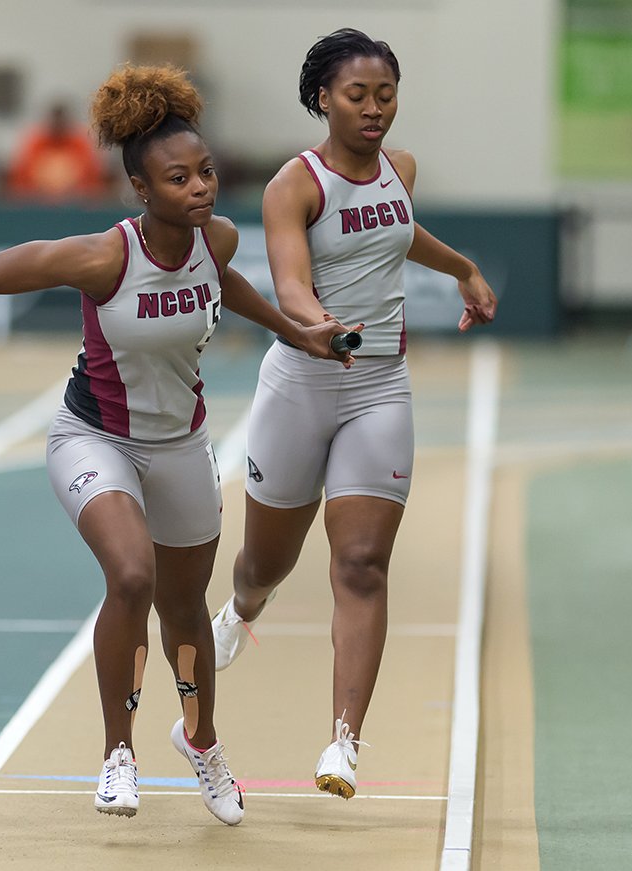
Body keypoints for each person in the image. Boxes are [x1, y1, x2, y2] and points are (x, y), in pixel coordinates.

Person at [0, 64, 352, 826]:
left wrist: (297, 331)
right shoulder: (102, 258)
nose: (200, 187)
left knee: (186, 612)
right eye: (178, 179)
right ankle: (119, 752)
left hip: (181, 447)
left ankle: (201, 740)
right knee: (130, 575)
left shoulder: (217, 239)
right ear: (141, 191)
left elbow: (228, 286)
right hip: (94, 438)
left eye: (206, 172)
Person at [211, 28, 498, 800]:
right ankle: (238, 610)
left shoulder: (399, 169)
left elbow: (399, 233)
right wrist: (316, 325)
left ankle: (342, 742)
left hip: (378, 387)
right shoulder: (292, 185)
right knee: (263, 563)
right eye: (357, 96)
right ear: (321, 100)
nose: (375, 110)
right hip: (302, 382)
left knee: (361, 564)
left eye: (386, 95)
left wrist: (462, 267)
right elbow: (290, 280)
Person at [6, 101, 108, 201]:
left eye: (61, 121)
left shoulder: (80, 144)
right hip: (38, 204)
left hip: (74, 204)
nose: (58, 125)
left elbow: (93, 179)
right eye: (55, 121)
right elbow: (21, 178)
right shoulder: (36, 143)